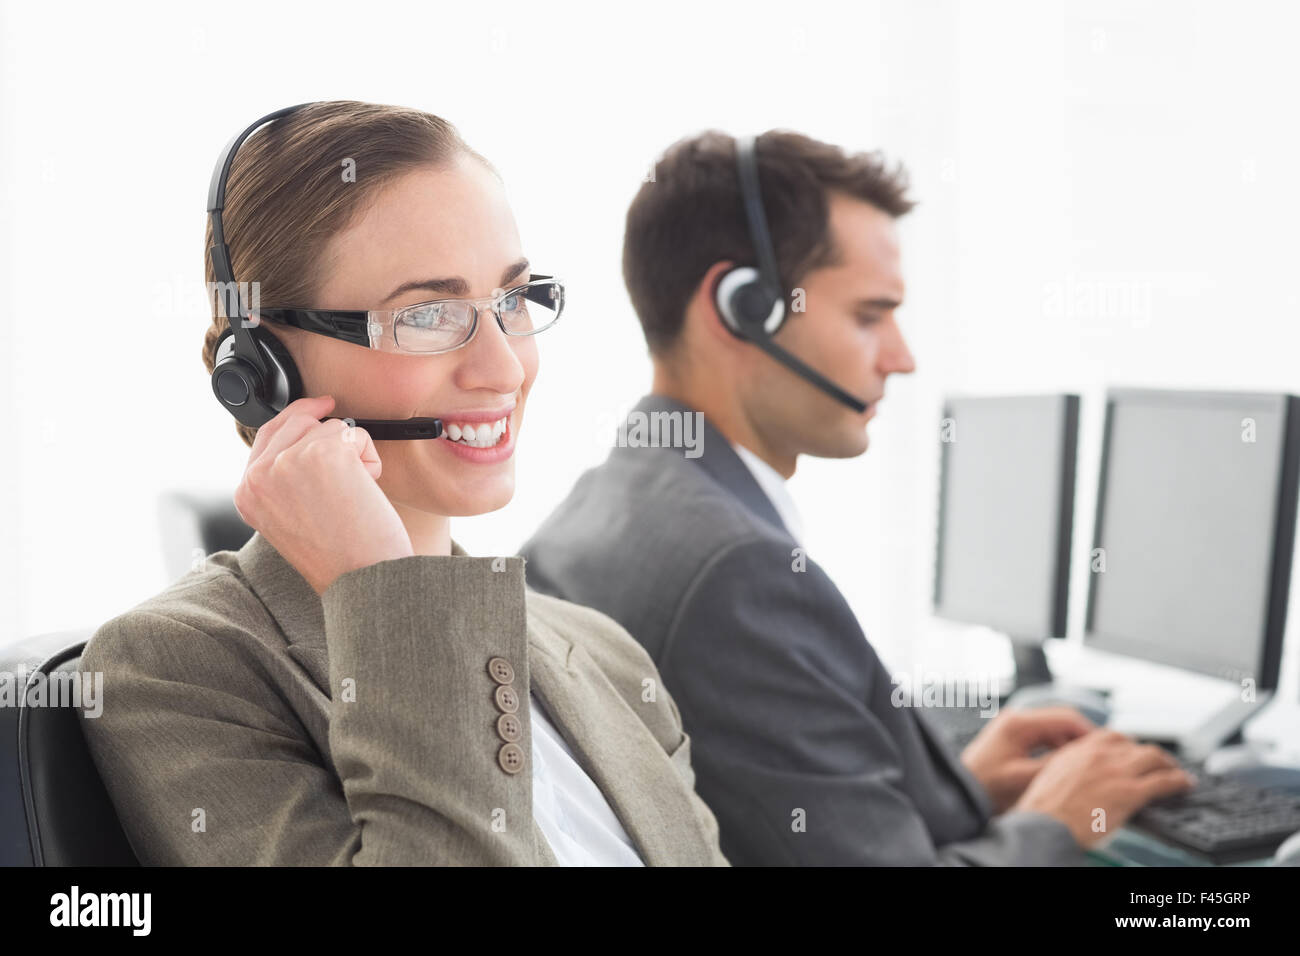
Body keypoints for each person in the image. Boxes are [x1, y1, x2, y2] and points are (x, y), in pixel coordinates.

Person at [519, 129, 1194, 865]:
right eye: (870, 316)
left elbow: (763, 802)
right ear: (745, 308)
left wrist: (956, 790)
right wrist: (1061, 821)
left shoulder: (599, 509)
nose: (901, 358)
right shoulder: (737, 570)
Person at [78, 101, 727, 867]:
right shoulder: (177, 668)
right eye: (427, 314)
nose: (505, 368)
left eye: (514, 302)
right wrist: (387, 593)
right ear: (264, 371)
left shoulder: (604, 656)